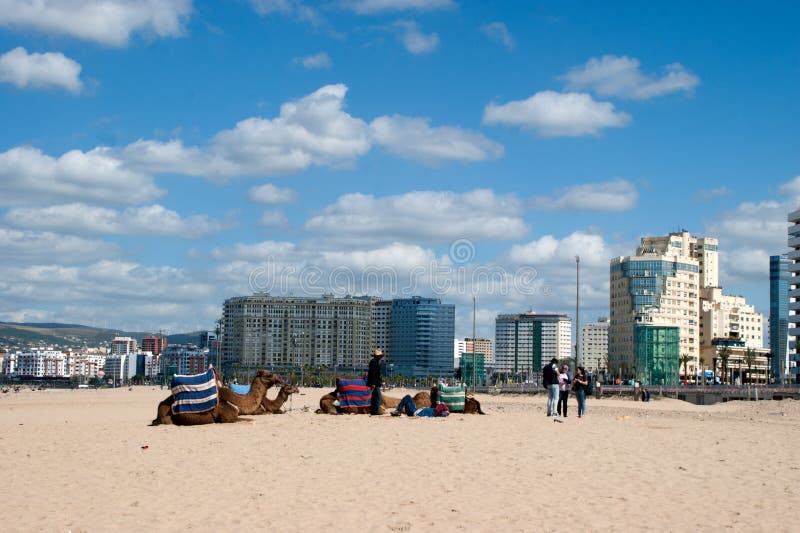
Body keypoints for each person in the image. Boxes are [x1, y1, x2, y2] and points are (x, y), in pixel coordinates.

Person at [366, 348, 384, 415]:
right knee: (378, 397)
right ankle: (376, 411)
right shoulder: (374, 362)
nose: (380, 357)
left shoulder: (375, 361)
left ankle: (373, 411)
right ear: (378, 356)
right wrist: (373, 383)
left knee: (374, 397)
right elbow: (373, 373)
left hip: (376, 383)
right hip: (375, 383)